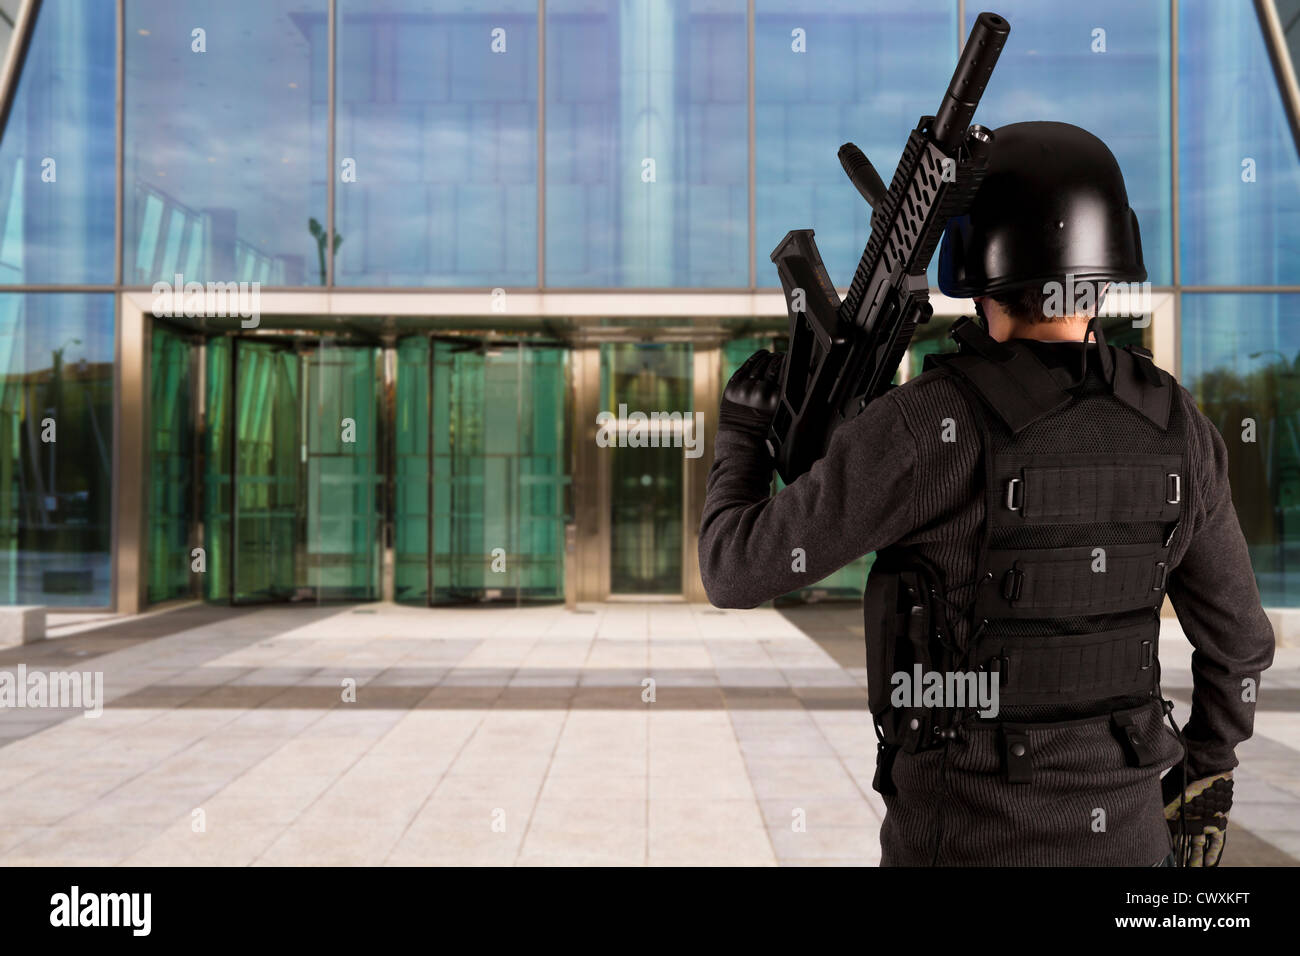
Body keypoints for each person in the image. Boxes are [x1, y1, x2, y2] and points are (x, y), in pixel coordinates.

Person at [699, 121, 1275, 866]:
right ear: (1104, 271)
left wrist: (743, 436)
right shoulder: (1178, 425)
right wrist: (1207, 771)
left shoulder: (928, 424)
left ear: (975, 268)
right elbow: (1241, 643)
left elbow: (735, 568)